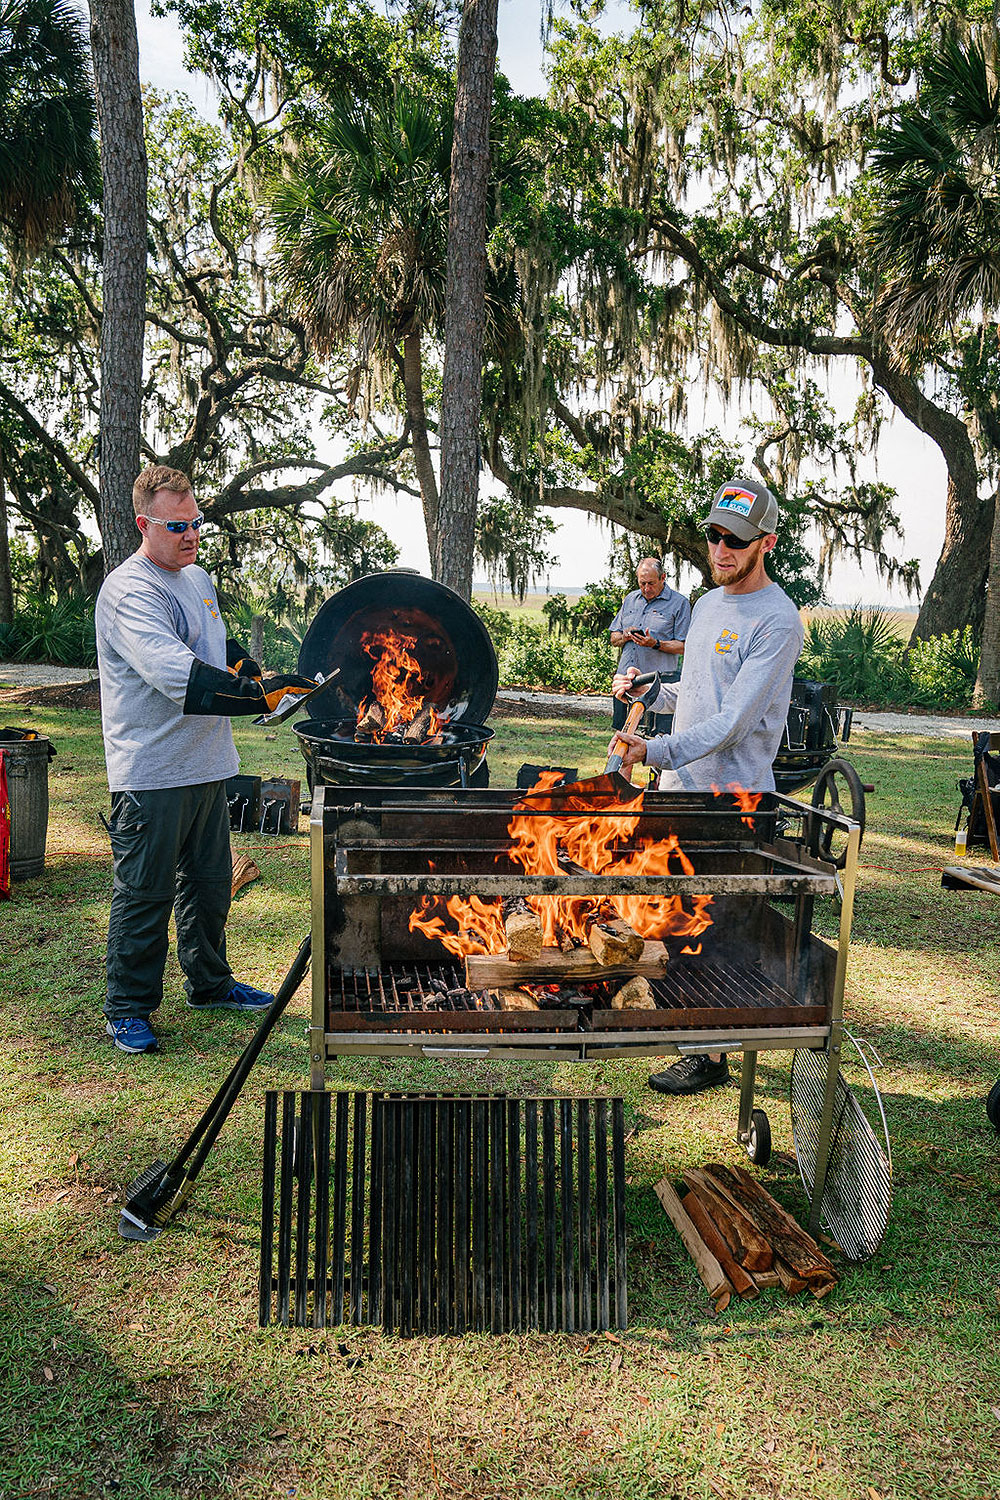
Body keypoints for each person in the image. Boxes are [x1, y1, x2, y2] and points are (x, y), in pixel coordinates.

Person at [96, 465, 316, 1054]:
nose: (191, 534)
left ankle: (211, 984)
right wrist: (257, 697)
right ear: (143, 525)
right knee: (145, 892)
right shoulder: (129, 591)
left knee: (211, 884)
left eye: (197, 523)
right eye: (177, 525)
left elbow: (218, 649)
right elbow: (181, 678)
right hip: (153, 770)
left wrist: (253, 672)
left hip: (207, 763)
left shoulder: (195, 578)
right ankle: (128, 1007)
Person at [611, 477, 804, 1096]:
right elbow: (695, 695)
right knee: (674, 921)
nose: (721, 549)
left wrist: (655, 748)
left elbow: (733, 722)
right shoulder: (709, 603)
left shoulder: (777, 622)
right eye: (715, 536)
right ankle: (688, 1033)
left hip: (733, 802)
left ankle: (709, 1053)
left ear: (766, 543)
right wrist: (651, 690)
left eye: (736, 541)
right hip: (680, 791)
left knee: (717, 937)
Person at [608, 558, 690, 730]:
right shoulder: (631, 599)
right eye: (642, 583)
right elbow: (614, 638)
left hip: (659, 686)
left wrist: (655, 644)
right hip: (626, 682)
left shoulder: (679, 603)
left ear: (663, 577)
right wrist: (626, 636)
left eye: (651, 583)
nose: (646, 589)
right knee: (623, 736)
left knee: (657, 743)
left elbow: (684, 646)